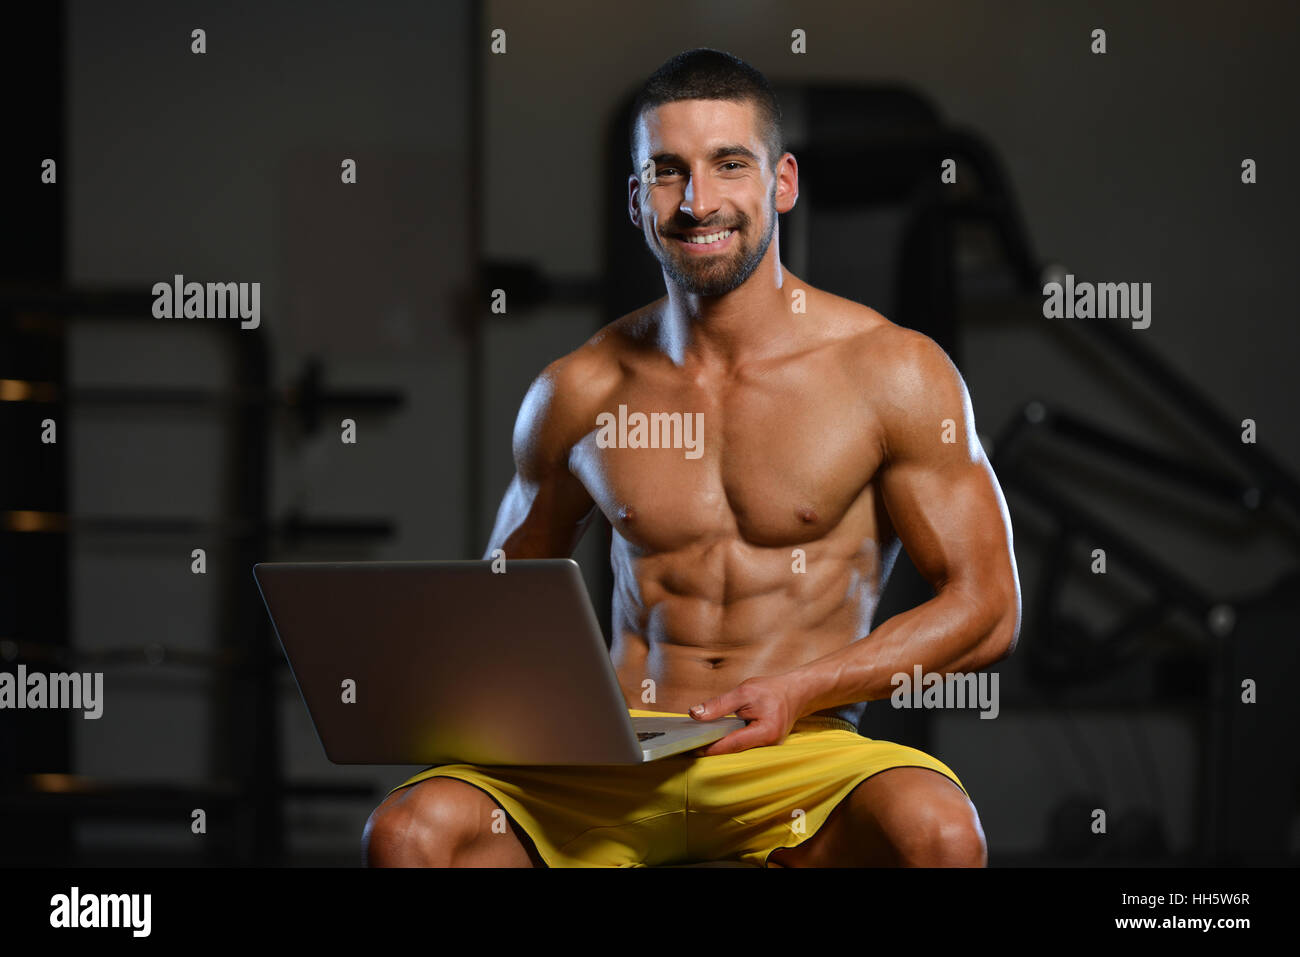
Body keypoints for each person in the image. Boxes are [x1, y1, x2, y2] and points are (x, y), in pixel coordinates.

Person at [364, 48, 1020, 867]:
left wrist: (801, 690)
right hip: (614, 754)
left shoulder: (892, 371)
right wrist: (403, 670)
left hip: (797, 756)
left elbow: (989, 605)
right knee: (411, 831)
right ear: (638, 201)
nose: (698, 201)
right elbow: (506, 602)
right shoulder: (580, 388)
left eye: (728, 165)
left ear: (781, 183)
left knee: (939, 833)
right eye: (669, 173)